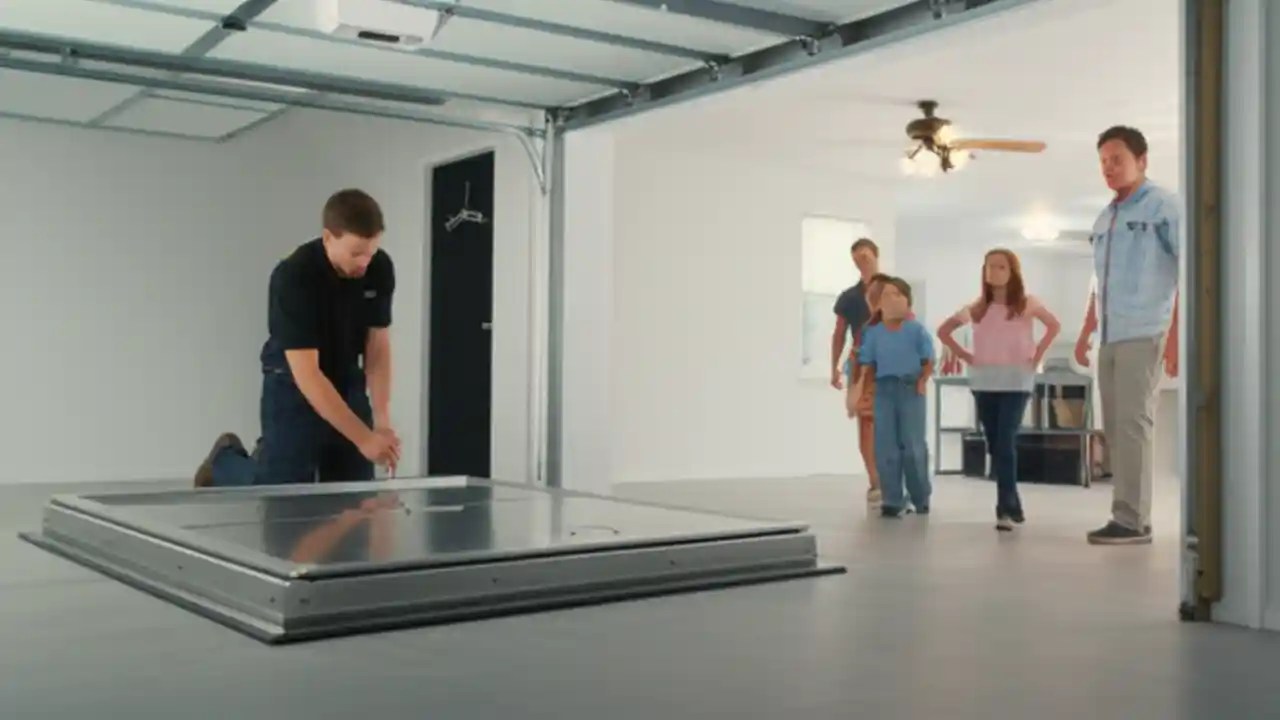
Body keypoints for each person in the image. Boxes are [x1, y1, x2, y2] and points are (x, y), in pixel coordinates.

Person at [195, 189, 402, 487]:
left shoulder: (379, 267)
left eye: (370, 252)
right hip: (292, 379)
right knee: (282, 489)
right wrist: (363, 437)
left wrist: (381, 422)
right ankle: (223, 463)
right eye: (356, 253)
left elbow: (378, 348)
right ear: (328, 238)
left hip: (346, 375)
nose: (364, 263)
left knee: (354, 491)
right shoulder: (294, 276)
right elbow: (307, 373)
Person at [1074, 126, 1179, 546]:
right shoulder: (1107, 217)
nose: (1109, 168)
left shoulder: (1163, 207)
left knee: (1134, 425)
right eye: (1103, 161)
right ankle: (1131, 515)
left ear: (1142, 160)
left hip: (1146, 330)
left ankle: (1131, 521)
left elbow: (1190, 267)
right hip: (1110, 335)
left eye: (1117, 159)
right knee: (1116, 428)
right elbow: (1099, 281)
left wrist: (1175, 336)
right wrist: (1085, 332)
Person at [937, 249, 1061, 531]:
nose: (994, 272)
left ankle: (1003, 507)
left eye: (1000, 267)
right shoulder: (977, 308)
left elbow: (1053, 325)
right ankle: (1011, 501)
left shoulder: (1027, 304)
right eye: (989, 267)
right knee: (995, 444)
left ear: (1012, 271)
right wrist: (965, 355)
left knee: (1006, 440)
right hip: (984, 381)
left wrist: (1038, 354)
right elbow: (943, 331)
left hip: (1016, 381)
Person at [854, 277, 935, 518]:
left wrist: (922, 380)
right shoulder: (874, 333)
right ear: (879, 304)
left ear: (908, 302)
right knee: (885, 445)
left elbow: (928, 360)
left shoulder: (916, 330)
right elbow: (867, 364)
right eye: (887, 295)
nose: (893, 299)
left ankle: (920, 497)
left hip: (910, 387)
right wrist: (863, 392)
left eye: (898, 294)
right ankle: (892, 498)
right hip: (884, 389)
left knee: (912, 445)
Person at [831, 238, 882, 503]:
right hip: (862, 366)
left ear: (876, 256)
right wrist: (834, 368)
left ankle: (893, 481)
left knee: (891, 424)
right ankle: (875, 482)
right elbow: (839, 333)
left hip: (890, 365)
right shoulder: (849, 298)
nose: (862, 263)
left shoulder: (892, 291)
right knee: (866, 423)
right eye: (856, 259)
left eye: (865, 257)